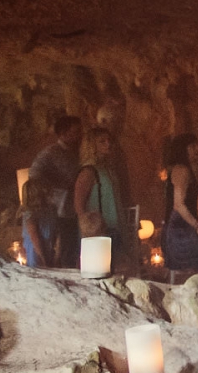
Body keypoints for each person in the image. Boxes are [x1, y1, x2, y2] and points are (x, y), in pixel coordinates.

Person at [22, 115, 84, 267]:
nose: (80, 135)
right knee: (65, 245)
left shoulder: (74, 152)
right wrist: (54, 191)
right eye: (76, 131)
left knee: (66, 245)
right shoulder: (52, 152)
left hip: (66, 207)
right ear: (64, 133)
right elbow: (34, 175)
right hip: (59, 207)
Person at [74, 127, 128, 273]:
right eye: (102, 142)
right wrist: (89, 229)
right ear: (92, 146)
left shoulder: (107, 169)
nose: (108, 144)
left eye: (109, 141)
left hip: (113, 225)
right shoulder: (88, 172)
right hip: (97, 230)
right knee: (98, 270)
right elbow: (79, 204)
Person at [162, 133, 198, 279]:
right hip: (181, 229)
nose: (196, 150)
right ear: (182, 149)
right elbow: (179, 205)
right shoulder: (181, 170)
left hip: (183, 226)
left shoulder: (183, 169)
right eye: (192, 147)